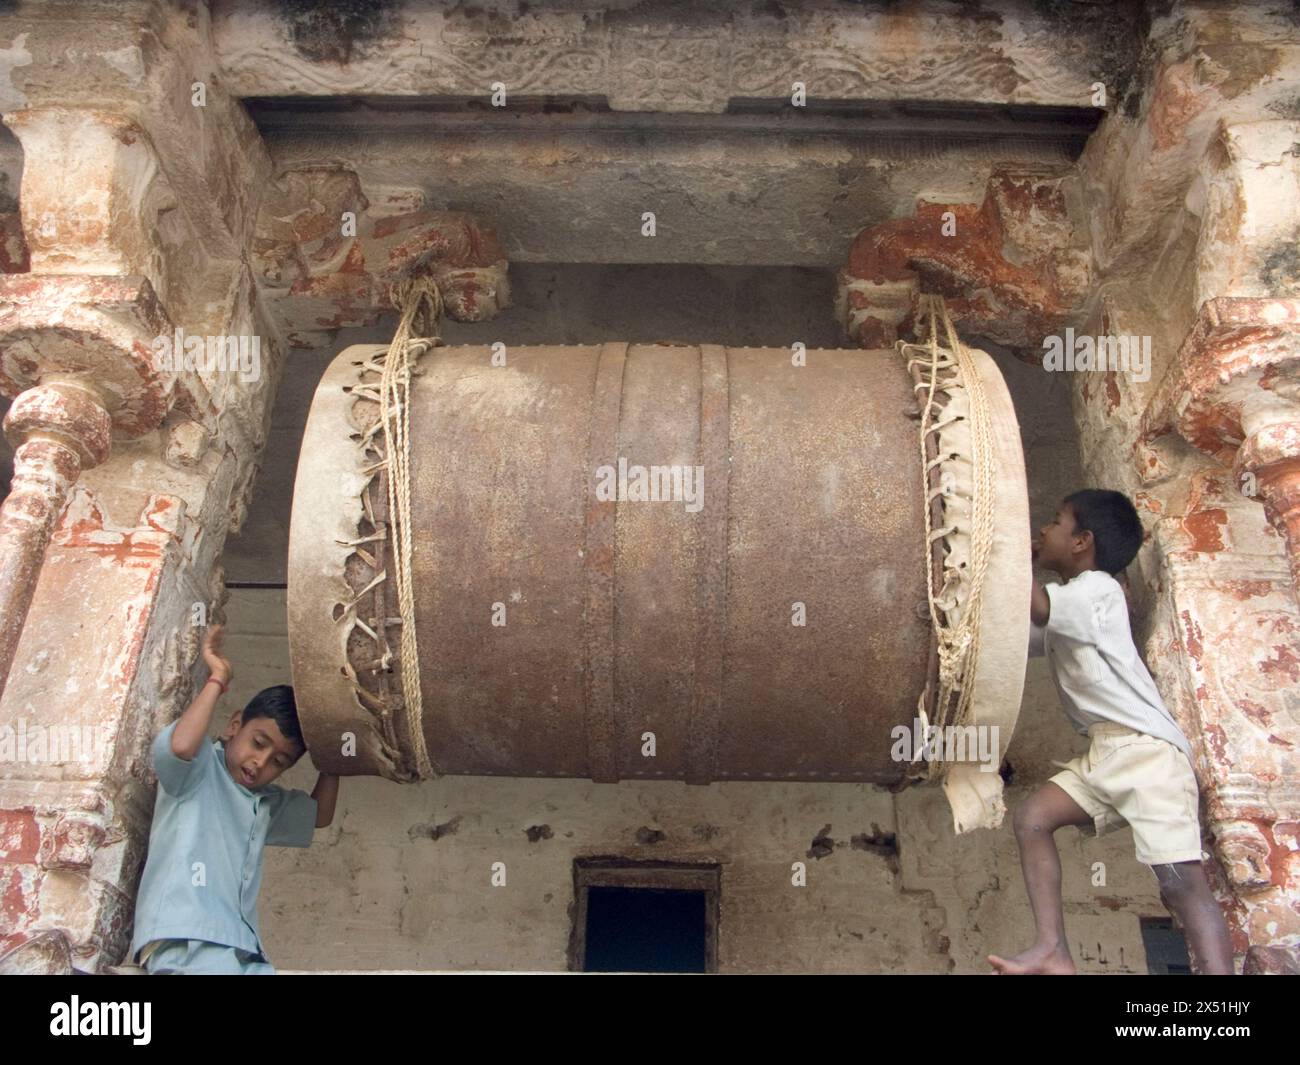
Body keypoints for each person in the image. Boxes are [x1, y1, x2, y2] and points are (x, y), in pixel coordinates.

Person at [988, 489, 1232, 975]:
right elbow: (1018, 632)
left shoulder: (1098, 590)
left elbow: (1037, 607)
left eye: (1055, 523)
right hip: (1106, 751)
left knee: (1180, 881)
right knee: (1033, 818)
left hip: (1146, 754)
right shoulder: (1070, 603)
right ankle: (1053, 949)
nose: (1043, 531)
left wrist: (1004, 539)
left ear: (1082, 541)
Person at [130, 625, 339, 974]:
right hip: (186, 941)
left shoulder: (264, 802)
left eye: (279, 761)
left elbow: (319, 816)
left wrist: (333, 758)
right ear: (234, 725)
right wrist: (218, 679)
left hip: (239, 950)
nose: (261, 762)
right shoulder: (197, 772)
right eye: (258, 743)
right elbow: (180, 746)